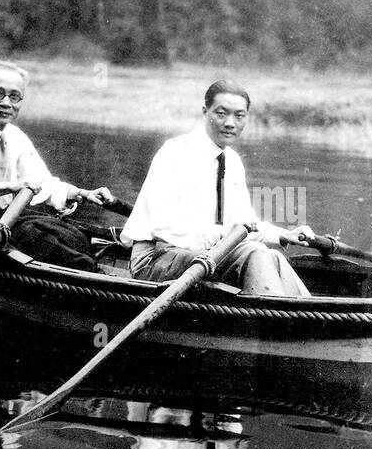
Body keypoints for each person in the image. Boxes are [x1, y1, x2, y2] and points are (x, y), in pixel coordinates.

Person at [121, 80, 316, 296]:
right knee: (254, 252)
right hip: (154, 260)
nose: (230, 123)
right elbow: (167, 228)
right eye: (221, 113)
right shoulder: (175, 152)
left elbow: (244, 225)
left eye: (239, 116)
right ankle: (275, 322)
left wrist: (284, 235)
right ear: (205, 111)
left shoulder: (231, 162)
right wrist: (229, 236)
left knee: (273, 256)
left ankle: (304, 318)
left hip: (202, 258)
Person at [0, 60, 115, 271]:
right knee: (31, 238)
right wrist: (12, 186)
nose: (6, 103)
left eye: (14, 96)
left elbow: (42, 182)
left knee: (71, 235)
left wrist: (82, 192)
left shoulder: (16, 137)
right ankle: (93, 273)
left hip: (0, 217)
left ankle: (87, 271)